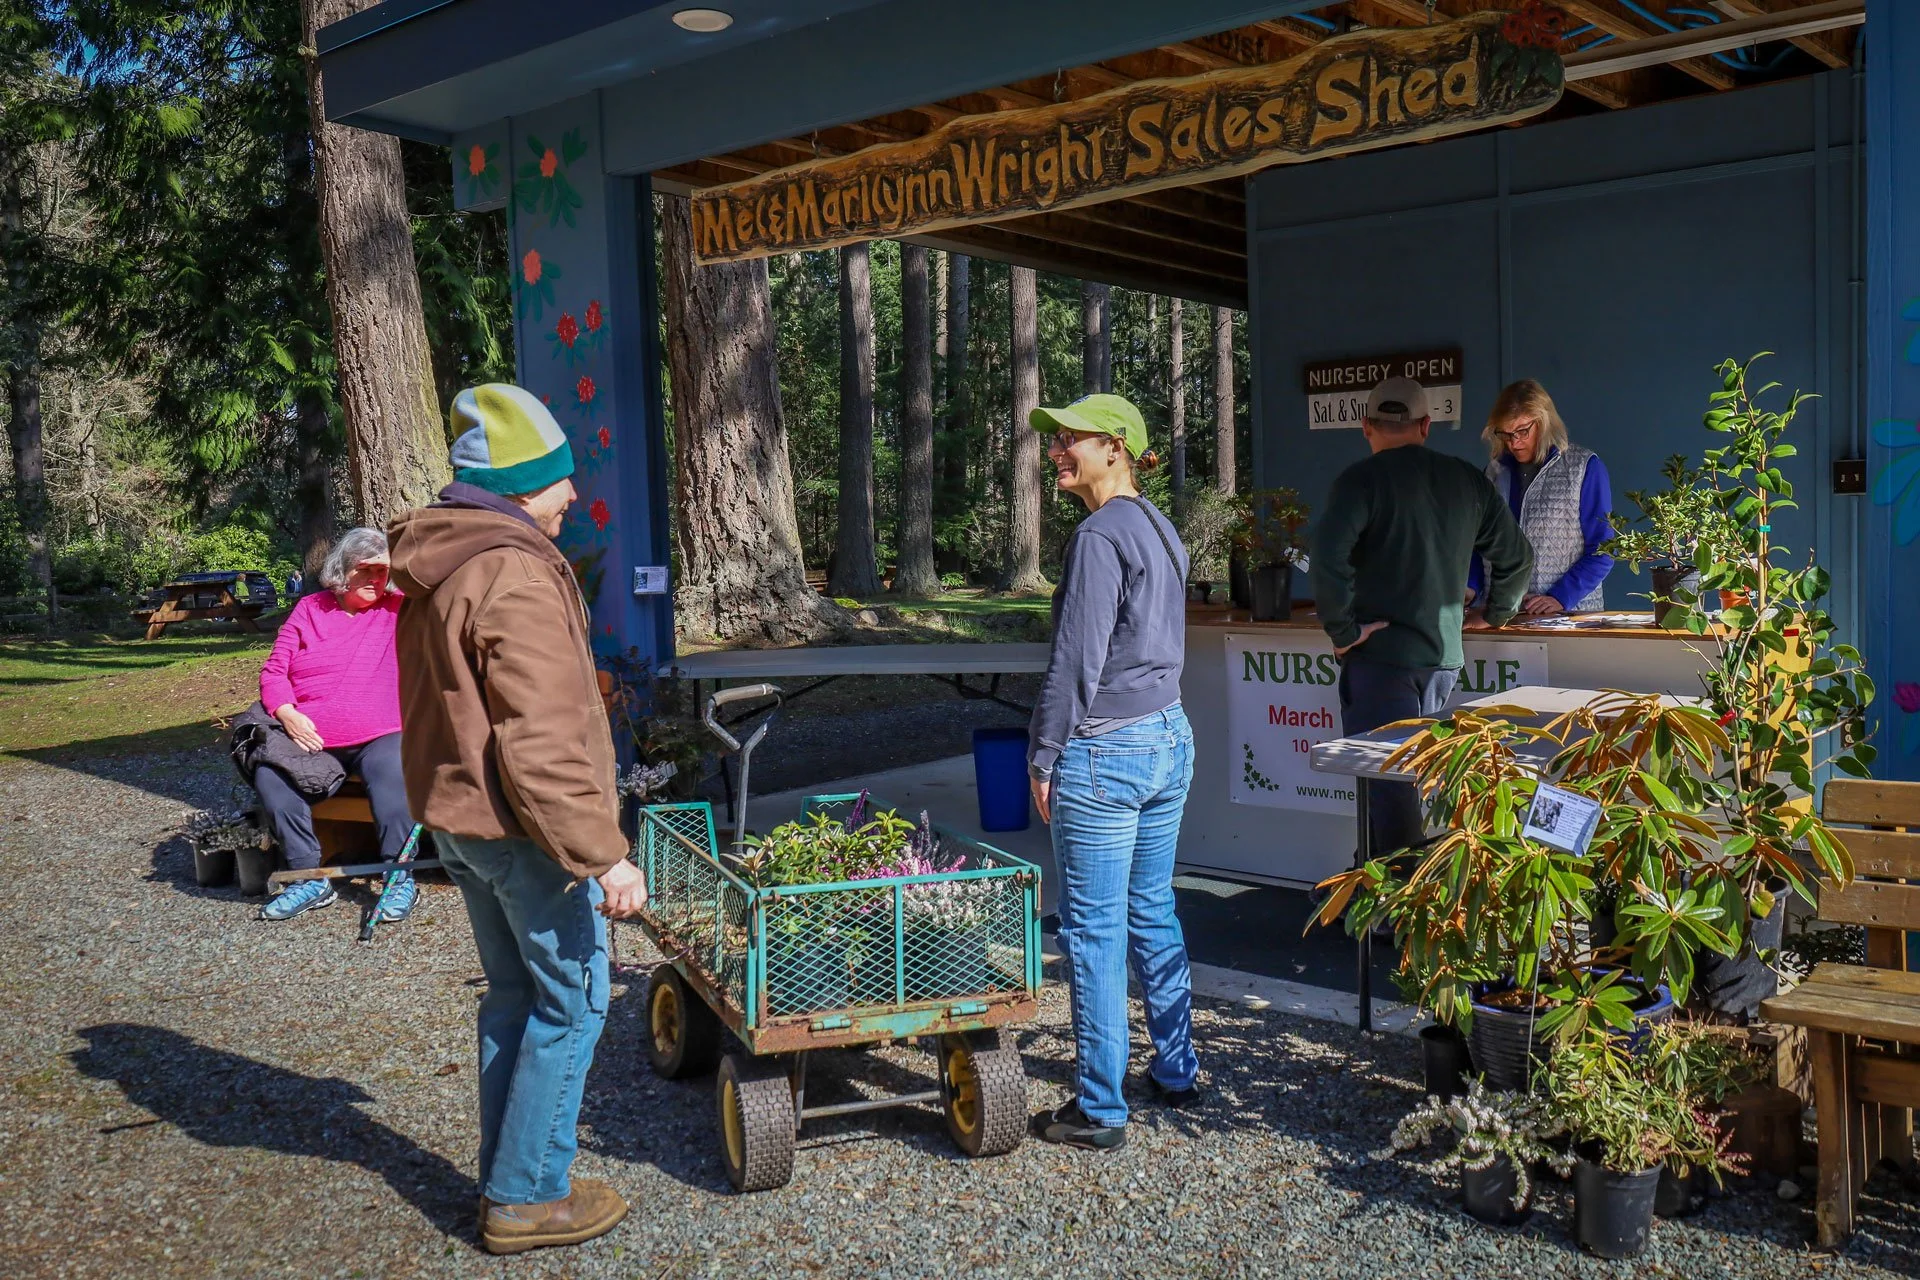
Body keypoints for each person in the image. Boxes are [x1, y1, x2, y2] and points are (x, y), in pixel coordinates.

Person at [388, 383, 646, 1256]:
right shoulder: (515, 569)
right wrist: (602, 855)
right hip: (522, 832)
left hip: (461, 823)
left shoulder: (446, 560)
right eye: (557, 480)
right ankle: (531, 1198)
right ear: (519, 486)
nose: (571, 495)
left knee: (514, 998)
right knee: (572, 1006)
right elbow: (538, 738)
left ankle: (511, 1173)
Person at [1024, 392, 1198, 1153]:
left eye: (1073, 440)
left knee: (1094, 932)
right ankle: (1179, 1067)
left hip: (1107, 748)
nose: (1058, 451)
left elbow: (1076, 661)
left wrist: (1044, 752)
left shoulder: (1099, 537)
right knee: (1152, 907)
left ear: (1117, 448)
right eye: (1056, 441)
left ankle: (1099, 1108)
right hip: (1168, 735)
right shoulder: (1160, 527)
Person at [1310, 376, 1533, 859]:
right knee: (1411, 780)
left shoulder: (1359, 481)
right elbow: (1516, 557)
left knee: (1387, 785)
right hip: (1441, 660)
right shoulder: (1465, 480)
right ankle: (1377, 889)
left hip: (1381, 658)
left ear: (1366, 426)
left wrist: (1344, 632)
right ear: (1426, 426)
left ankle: (1395, 910)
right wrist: (1493, 614)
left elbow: (1327, 561)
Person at [253, 527, 417, 923]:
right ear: (342, 569)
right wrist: (287, 713)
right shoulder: (310, 608)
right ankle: (308, 877)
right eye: (367, 571)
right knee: (270, 773)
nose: (378, 580)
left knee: (393, 770)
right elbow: (275, 671)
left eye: (384, 572)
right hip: (312, 735)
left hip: (381, 733)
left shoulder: (399, 608)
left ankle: (399, 875)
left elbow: (434, 583)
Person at [1467, 379, 1614, 616]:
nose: (1514, 442)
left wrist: (1560, 596)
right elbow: (1479, 544)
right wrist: (1471, 586)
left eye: (1523, 431)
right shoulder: (1494, 473)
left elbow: (1604, 548)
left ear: (1544, 423)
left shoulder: (1583, 467)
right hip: (1502, 617)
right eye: (1505, 433)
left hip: (1569, 616)